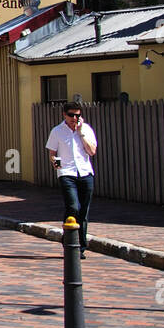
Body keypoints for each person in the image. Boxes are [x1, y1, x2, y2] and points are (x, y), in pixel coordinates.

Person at [46, 103, 98, 260]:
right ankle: (68, 240)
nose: (74, 118)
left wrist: (81, 133)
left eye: (77, 115)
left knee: (83, 212)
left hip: (85, 173)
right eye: (71, 115)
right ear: (64, 115)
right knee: (73, 206)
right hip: (67, 173)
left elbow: (92, 151)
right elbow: (52, 153)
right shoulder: (57, 131)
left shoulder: (86, 129)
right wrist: (56, 163)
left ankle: (80, 247)